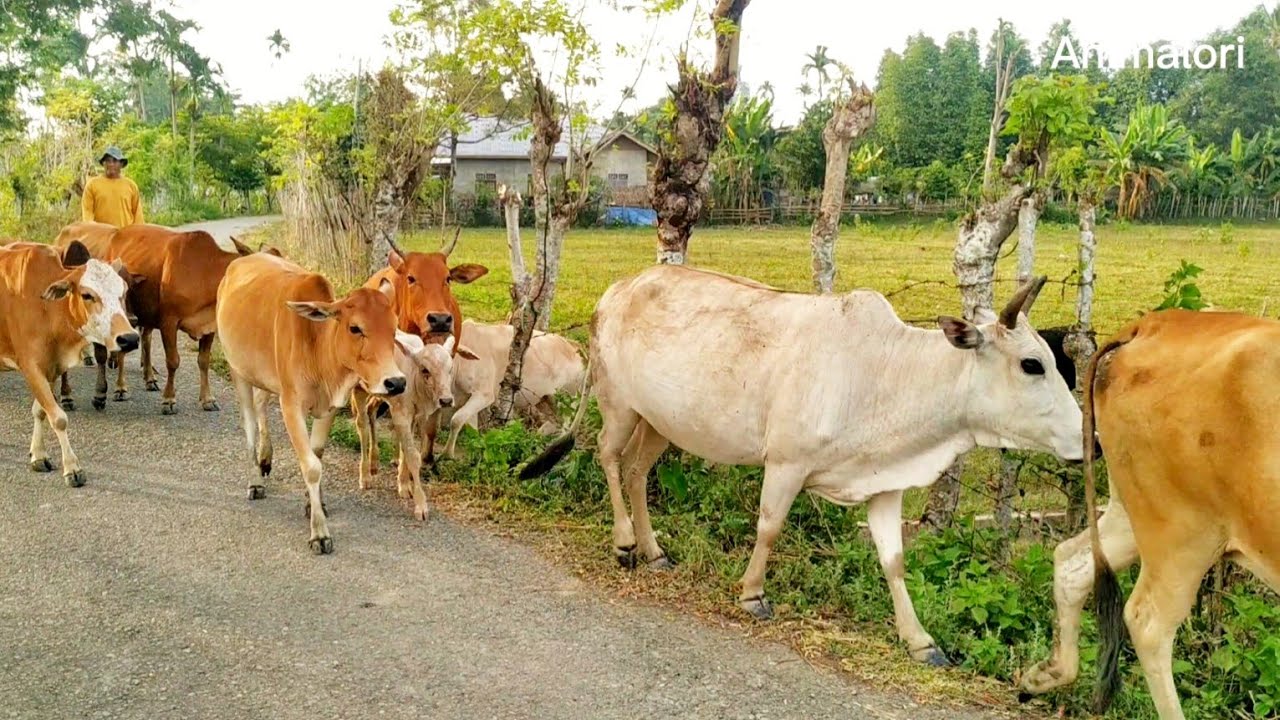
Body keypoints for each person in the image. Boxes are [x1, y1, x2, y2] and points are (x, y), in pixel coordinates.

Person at [81, 146, 144, 227]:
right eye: (108, 161)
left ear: (121, 164)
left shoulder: (131, 186)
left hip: (125, 236)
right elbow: (87, 213)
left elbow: (138, 217)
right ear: (103, 163)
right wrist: (92, 231)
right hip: (102, 236)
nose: (111, 164)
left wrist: (137, 236)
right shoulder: (92, 185)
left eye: (115, 161)